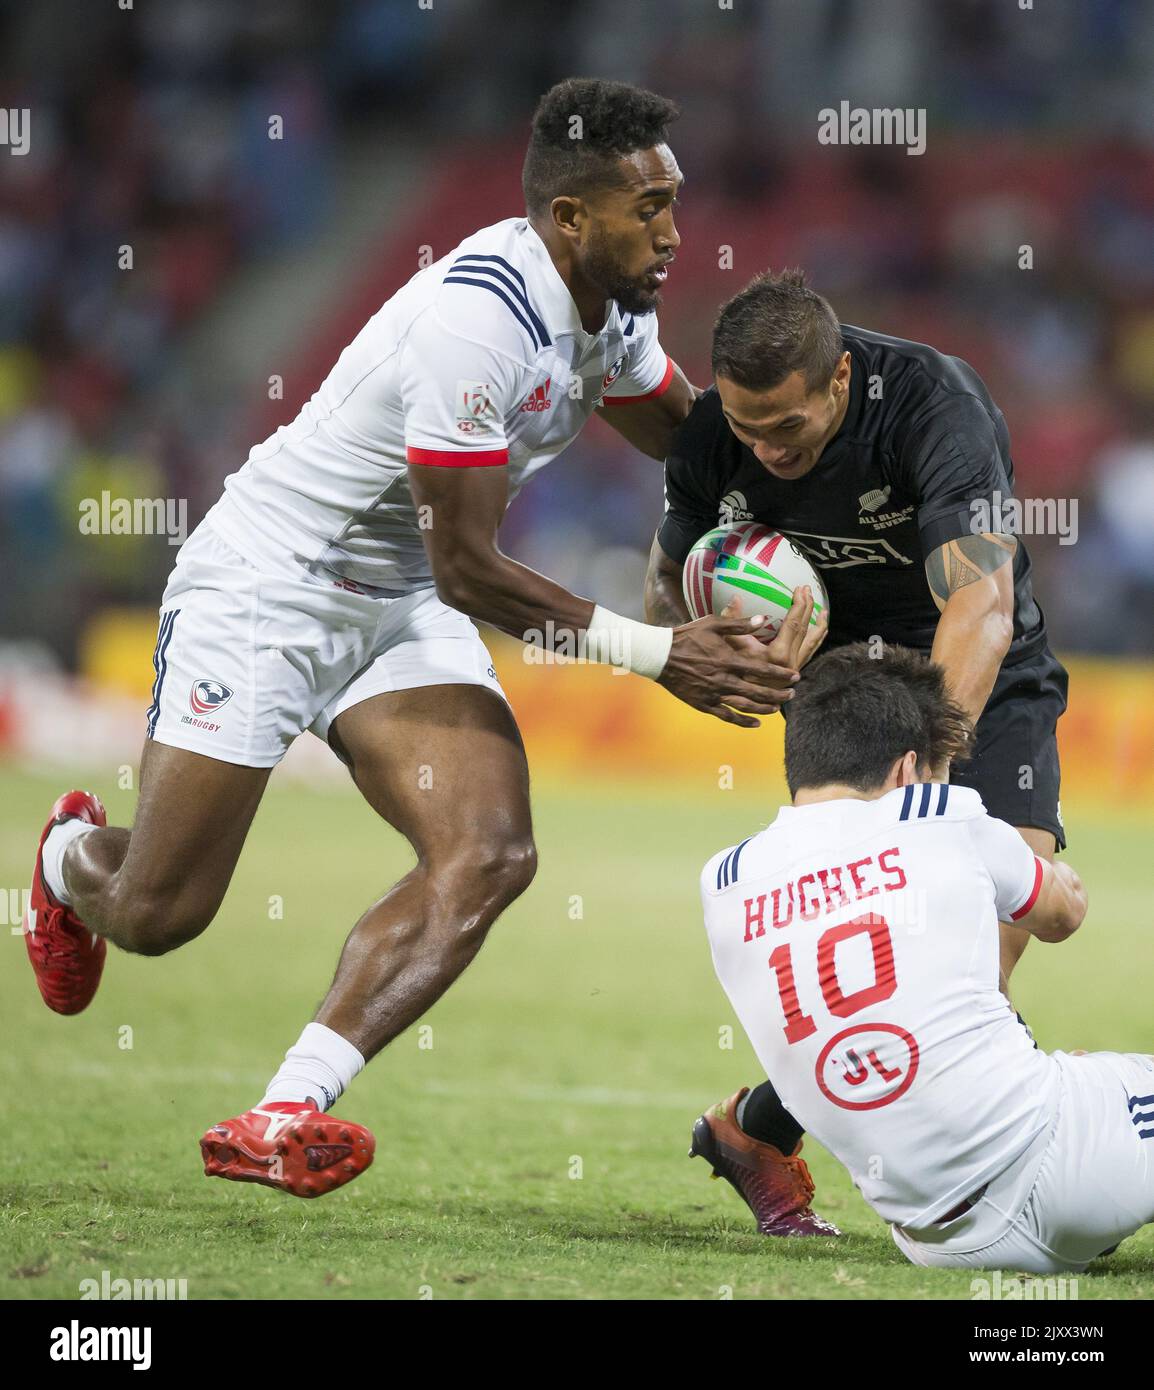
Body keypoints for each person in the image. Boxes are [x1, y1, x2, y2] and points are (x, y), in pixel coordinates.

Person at [22, 78, 803, 1200]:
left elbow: (684, 437)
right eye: (650, 208)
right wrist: (657, 654)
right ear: (569, 218)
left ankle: (282, 1109)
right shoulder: (479, 318)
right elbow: (470, 567)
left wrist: (817, 491)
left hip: (395, 602)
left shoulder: (613, 305)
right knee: (156, 914)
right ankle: (64, 859)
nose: (674, 233)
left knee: (490, 850)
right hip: (271, 586)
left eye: (673, 202)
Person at [645, 269, 1069, 1235]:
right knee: (953, 963)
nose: (766, 451)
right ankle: (989, 1179)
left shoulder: (935, 407)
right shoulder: (715, 436)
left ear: (838, 380)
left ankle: (754, 1127)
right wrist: (698, 654)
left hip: (979, 671)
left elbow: (982, 605)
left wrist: (924, 767)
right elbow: (668, 583)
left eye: (786, 428)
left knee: (1011, 910)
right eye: (749, 430)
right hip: (838, 688)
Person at [699, 643, 1148, 1275]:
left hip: (933, 1241)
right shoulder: (940, 814)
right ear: (910, 769)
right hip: (1060, 1169)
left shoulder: (723, 877)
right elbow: (1062, 915)